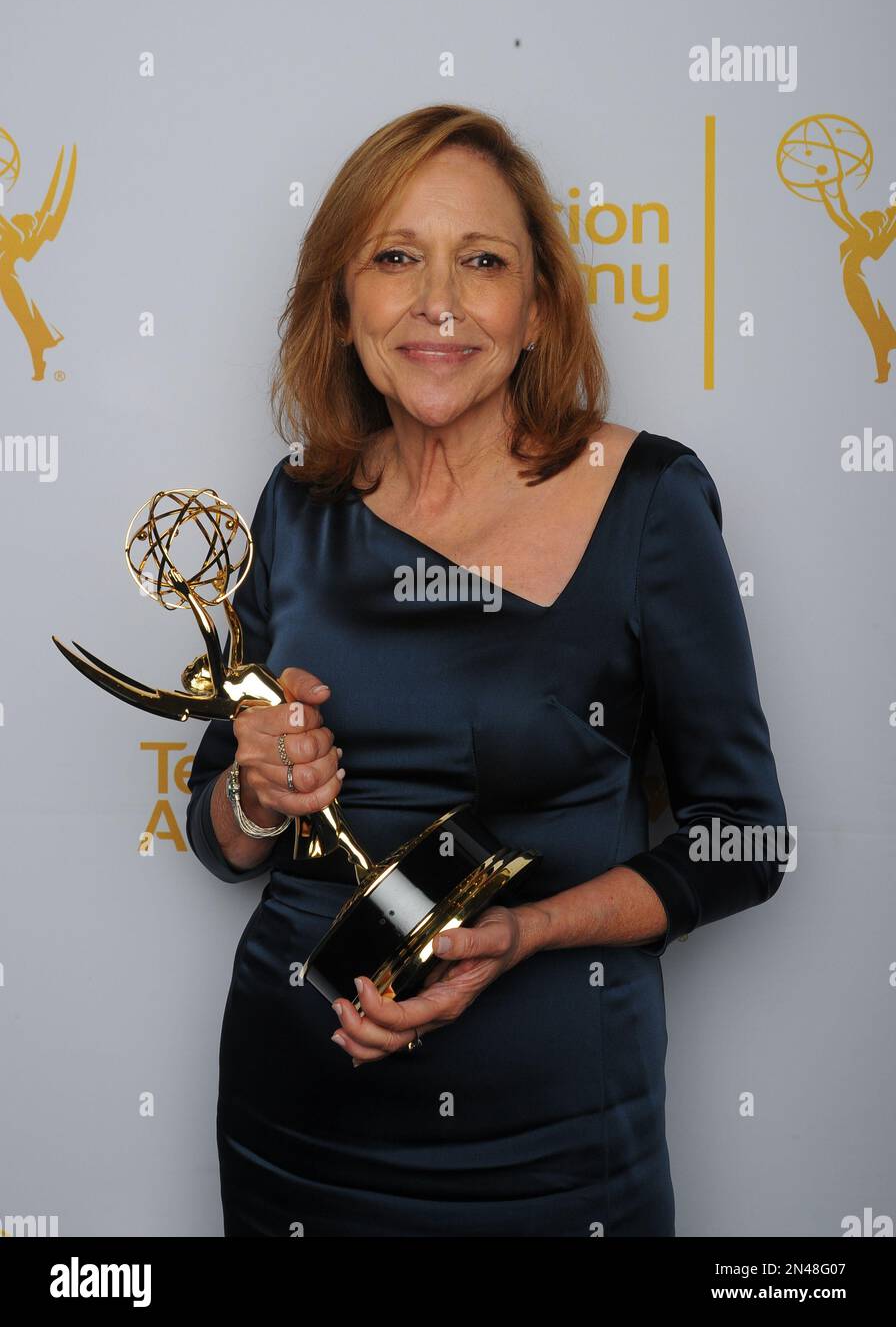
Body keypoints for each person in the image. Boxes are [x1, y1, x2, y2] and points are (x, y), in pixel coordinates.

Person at [186, 103, 789, 1237]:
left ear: (537, 307)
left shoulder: (648, 500)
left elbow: (741, 837)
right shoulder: (296, 504)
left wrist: (524, 931)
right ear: (342, 298)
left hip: (551, 1149)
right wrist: (252, 790)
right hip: (297, 1123)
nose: (439, 302)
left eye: (482, 262)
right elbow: (217, 837)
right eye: (396, 257)